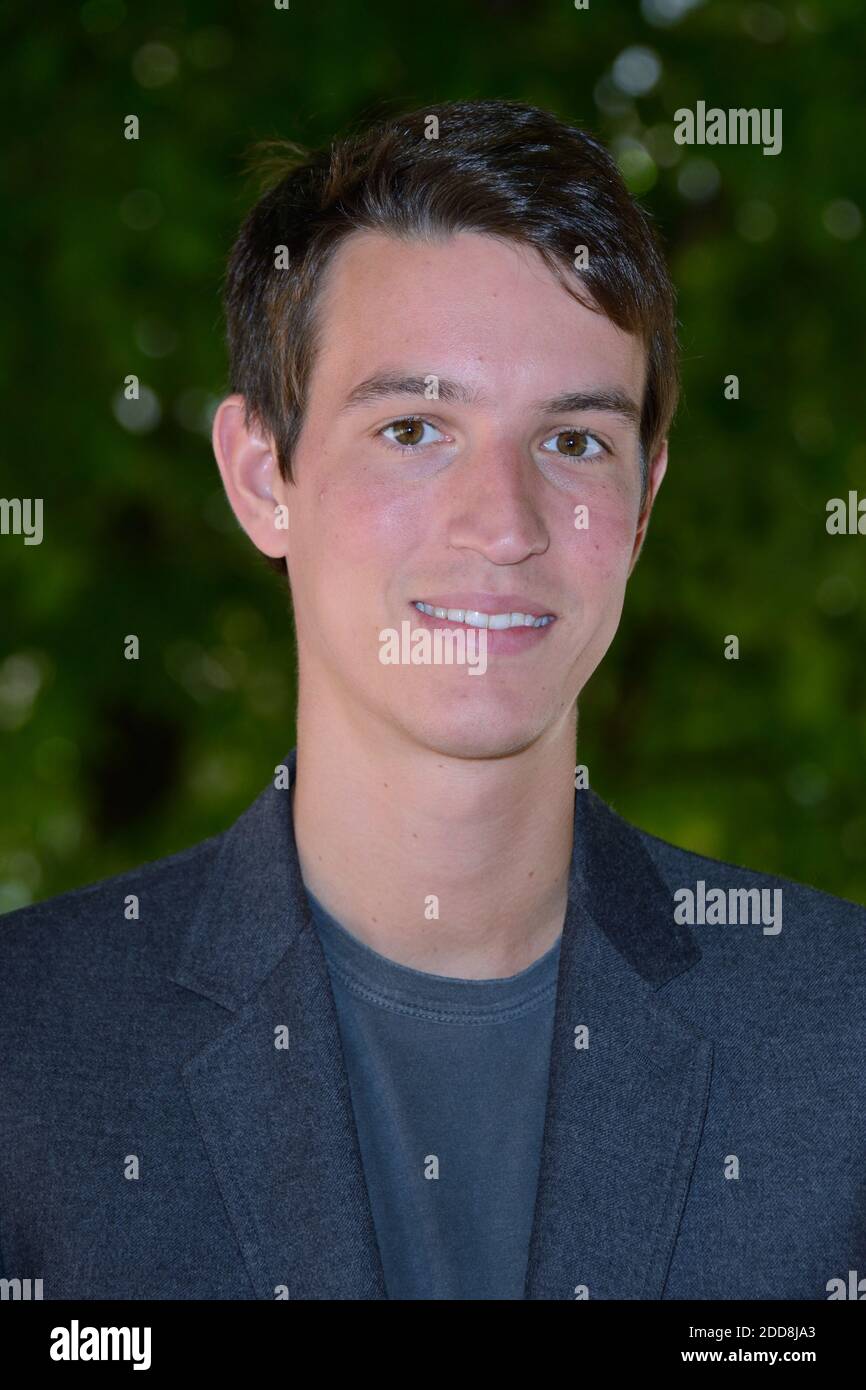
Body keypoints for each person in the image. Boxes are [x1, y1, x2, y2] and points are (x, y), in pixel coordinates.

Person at [1, 100, 863, 1303]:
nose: (501, 525)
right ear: (263, 477)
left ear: (645, 495)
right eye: (412, 428)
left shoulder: (843, 1042)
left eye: (571, 441)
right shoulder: (28, 1051)